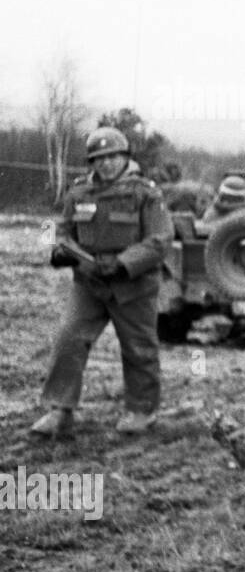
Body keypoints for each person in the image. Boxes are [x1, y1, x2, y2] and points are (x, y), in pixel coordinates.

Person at [31, 127, 173, 438]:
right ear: (91, 163)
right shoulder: (79, 193)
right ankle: (60, 410)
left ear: (126, 158)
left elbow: (160, 240)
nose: (107, 164)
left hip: (133, 284)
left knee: (138, 348)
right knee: (69, 339)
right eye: (99, 159)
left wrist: (123, 265)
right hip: (89, 282)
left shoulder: (146, 193)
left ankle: (141, 410)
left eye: (114, 157)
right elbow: (64, 231)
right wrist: (62, 252)